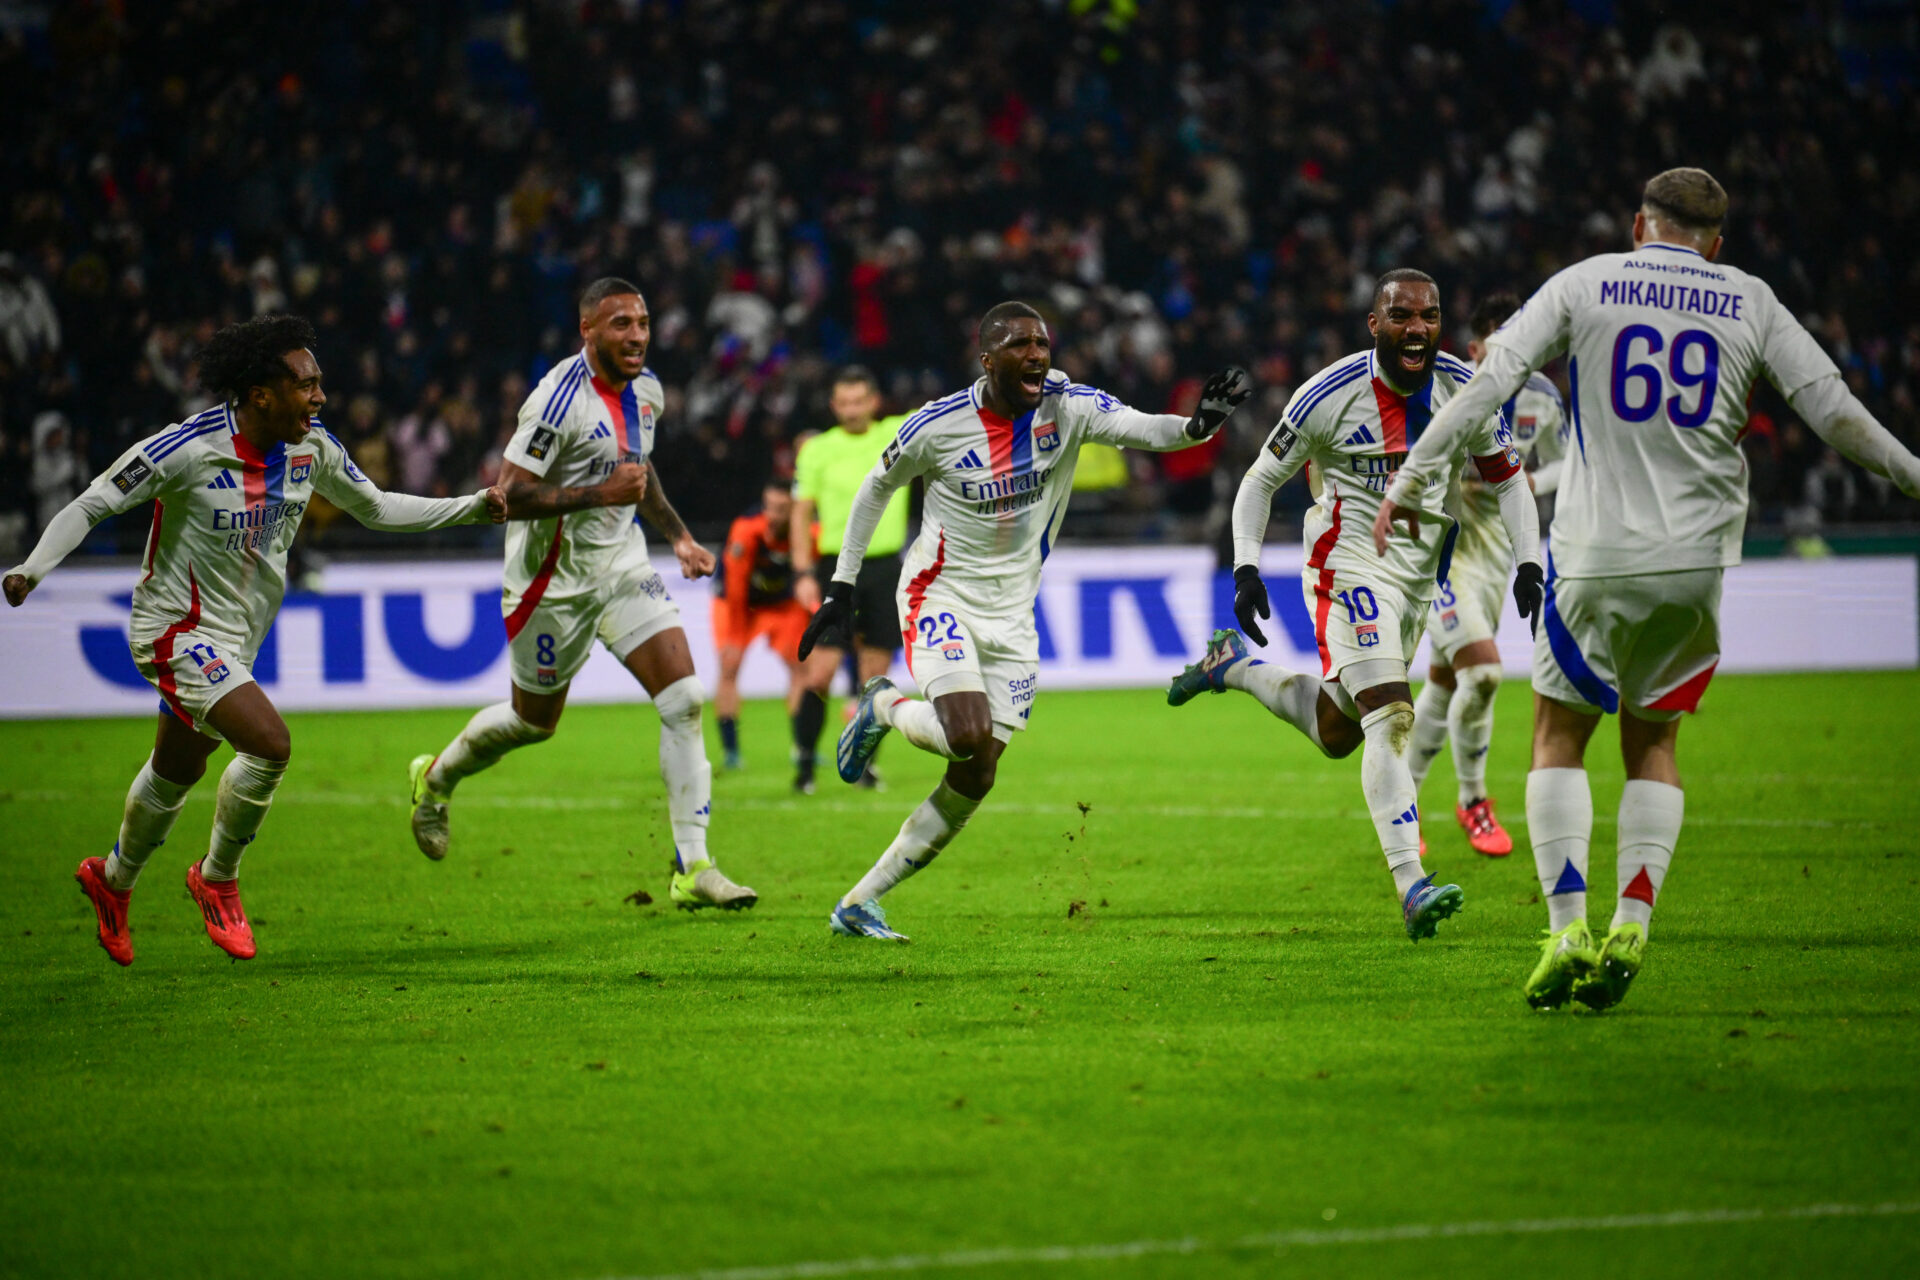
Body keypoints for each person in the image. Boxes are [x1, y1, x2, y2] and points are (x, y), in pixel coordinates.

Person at [1375, 168, 1920, 1009]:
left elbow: (1488, 380)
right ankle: (1634, 917)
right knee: (1654, 744)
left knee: (1558, 734)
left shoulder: (1587, 281)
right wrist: (1911, 474)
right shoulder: (1749, 298)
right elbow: (1831, 407)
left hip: (1593, 555)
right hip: (1697, 566)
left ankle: (1566, 931)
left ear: (1640, 224)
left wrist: (1413, 474)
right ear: (1717, 242)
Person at [3, 314, 506, 966]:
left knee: (176, 770)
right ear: (261, 394)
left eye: (320, 384)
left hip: (236, 639)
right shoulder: (187, 448)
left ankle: (113, 879)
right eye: (306, 386)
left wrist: (471, 505)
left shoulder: (311, 448)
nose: (319, 397)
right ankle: (216, 877)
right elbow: (95, 502)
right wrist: (30, 569)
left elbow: (375, 507)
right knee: (269, 744)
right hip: (174, 631)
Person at [803, 301, 1252, 941]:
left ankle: (860, 900)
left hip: (1014, 615)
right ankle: (883, 708)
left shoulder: (1066, 405)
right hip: (941, 595)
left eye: (1043, 341)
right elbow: (875, 489)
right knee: (965, 730)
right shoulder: (938, 425)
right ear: (988, 360)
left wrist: (1198, 425)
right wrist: (841, 586)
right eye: (1020, 344)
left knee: (977, 771)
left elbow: (1144, 429)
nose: (1038, 353)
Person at [1167, 270, 1542, 942]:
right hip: (1348, 566)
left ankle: (1233, 666)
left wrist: (1531, 561)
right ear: (1375, 324)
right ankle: (1411, 886)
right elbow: (1259, 481)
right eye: (1401, 315)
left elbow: (1509, 482)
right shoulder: (1330, 395)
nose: (1417, 329)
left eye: (1429, 316)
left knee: (1339, 730)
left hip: (1422, 575)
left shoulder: (1467, 387)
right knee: (1392, 712)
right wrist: (1246, 565)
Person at [407, 278, 756, 911]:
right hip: (552, 584)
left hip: (622, 567)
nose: (638, 336)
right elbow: (508, 496)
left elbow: (638, 476)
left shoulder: (647, 392)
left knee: (684, 699)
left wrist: (677, 536)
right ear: (587, 330)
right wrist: (601, 496)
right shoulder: (556, 401)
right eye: (621, 323)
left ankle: (694, 865)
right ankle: (437, 780)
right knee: (532, 723)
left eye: (644, 322)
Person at [1405, 292, 1568, 857]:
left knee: (1447, 680)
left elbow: (1562, 465)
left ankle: (1403, 804)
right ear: (1475, 349)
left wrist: (1522, 483)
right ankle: (1473, 799)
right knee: (1484, 674)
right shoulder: (1447, 388)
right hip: (1443, 551)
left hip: (1499, 558)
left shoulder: (1545, 399)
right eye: (1501, 343)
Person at [790, 367, 910, 788]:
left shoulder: (899, 434)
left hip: (884, 568)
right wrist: (803, 571)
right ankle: (805, 763)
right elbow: (801, 513)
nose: (853, 409)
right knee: (818, 674)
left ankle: (865, 767)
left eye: (860, 401)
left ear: (874, 402)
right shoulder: (817, 450)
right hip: (834, 569)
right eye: (845, 402)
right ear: (834, 406)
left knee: (873, 681)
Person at [711, 478, 816, 789]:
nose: (773, 515)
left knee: (802, 669)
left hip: (781, 605)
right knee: (729, 667)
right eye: (769, 507)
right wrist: (734, 635)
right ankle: (731, 751)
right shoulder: (746, 530)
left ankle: (801, 748)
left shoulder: (809, 530)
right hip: (736, 604)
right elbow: (736, 587)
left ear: (795, 509)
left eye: (782, 509)